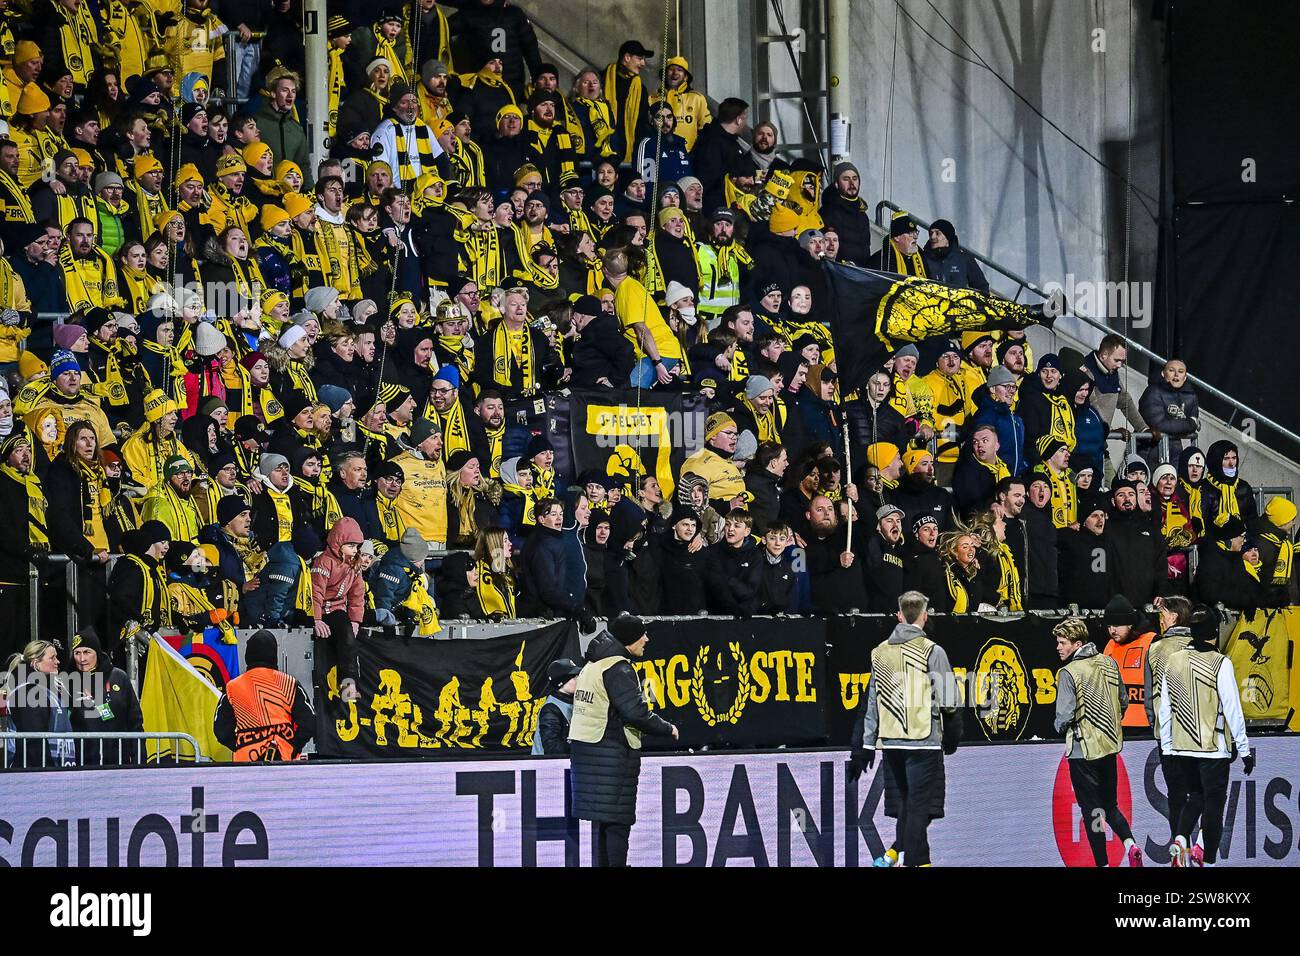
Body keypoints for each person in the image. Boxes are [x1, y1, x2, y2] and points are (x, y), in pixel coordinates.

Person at [850, 591, 960, 868]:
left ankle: (893, 853)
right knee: (920, 809)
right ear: (925, 615)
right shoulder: (933, 651)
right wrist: (952, 737)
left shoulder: (879, 652)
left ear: (899, 615)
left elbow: (872, 704)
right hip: (923, 741)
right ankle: (918, 862)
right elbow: (949, 701)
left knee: (911, 807)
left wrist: (865, 745)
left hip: (891, 742)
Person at [568, 614, 678, 867]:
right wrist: (667, 728)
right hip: (611, 754)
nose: (646, 639)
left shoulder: (592, 666)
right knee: (618, 825)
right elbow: (634, 712)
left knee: (604, 823)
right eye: (642, 634)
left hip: (590, 754)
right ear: (630, 639)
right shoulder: (618, 668)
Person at [1160, 608, 1253, 868]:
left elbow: (1165, 709)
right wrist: (1244, 749)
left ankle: (1179, 840)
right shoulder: (1220, 663)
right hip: (1213, 747)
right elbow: (1233, 708)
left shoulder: (1173, 660)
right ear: (1214, 633)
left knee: (1194, 797)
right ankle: (1204, 854)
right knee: (1213, 804)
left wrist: (1167, 748)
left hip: (1182, 747)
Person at [1052, 617, 1143, 867]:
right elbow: (1123, 702)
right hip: (1110, 748)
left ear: (1077, 643)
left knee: (1092, 813)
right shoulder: (1109, 663)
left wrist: (1058, 726)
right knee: (1111, 806)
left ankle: (1103, 865)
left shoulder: (1069, 672)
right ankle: (1130, 844)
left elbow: (1064, 716)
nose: (1058, 648)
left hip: (1083, 753)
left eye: (1062, 643)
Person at [213, 630, 316, 762]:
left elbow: (221, 730)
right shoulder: (289, 683)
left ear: (247, 654)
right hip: (283, 760)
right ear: (274, 653)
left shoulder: (233, 687)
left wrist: (239, 745)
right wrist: (294, 746)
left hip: (246, 763)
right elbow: (309, 722)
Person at [68, 627, 142, 765]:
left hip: (118, 760)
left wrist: (140, 760)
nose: (82, 658)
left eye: (87, 652)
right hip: (82, 763)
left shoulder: (118, 677)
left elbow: (135, 722)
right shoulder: (68, 681)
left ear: (97, 652)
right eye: (77, 653)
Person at [2, 638, 75, 767]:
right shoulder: (29, 693)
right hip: (36, 775)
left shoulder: (44, 690)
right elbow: (34, 742)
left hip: (47, 771)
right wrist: (48, 774)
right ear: (36, 664)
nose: (57, 662)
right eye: (52, 658)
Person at [1100, 594, 1156, 730]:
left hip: (1146, 726)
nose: (1112, 630)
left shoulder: (1152, 642)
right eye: (1109, 625)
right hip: (1116, 725)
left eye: (1117, 625)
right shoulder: (1110, 645)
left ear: (1130, 623)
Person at [531, 657, 581, 756]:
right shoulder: (551, 709)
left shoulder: (572, 702)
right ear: (561, 682)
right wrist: (582, 748)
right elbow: (553, 748)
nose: (578, 679)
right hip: (547, 769)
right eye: (573, 677)